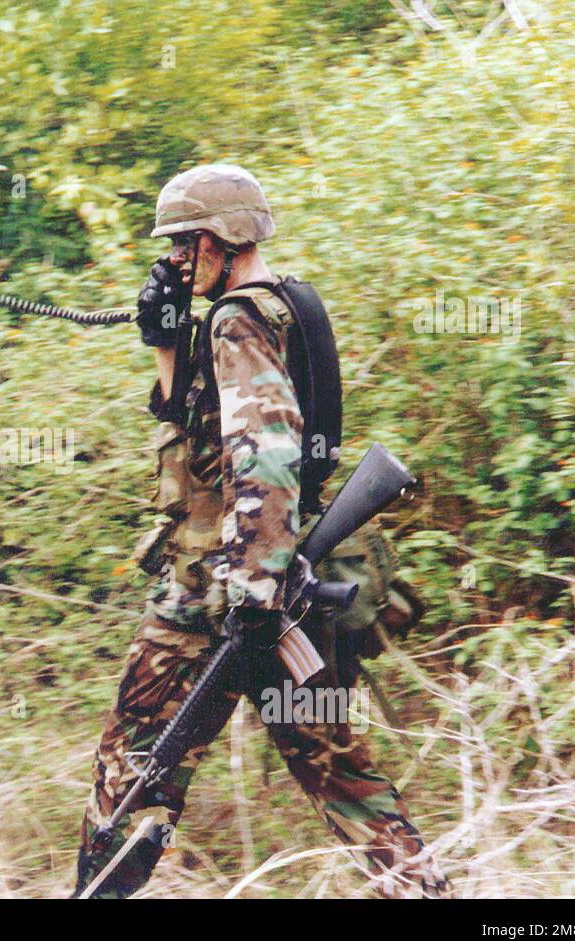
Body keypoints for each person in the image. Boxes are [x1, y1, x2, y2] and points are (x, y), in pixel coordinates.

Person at [73, 165, 449, 898]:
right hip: (278, 586)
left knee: (130, 767)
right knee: (345, 780)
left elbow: (267, 448)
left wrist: (251, 590)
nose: (176, 260)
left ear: (218, 240)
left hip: (218, 590)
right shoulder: (287, 304)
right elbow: (207, 426)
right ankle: (426, 890)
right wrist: (163, 339)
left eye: (184, 245)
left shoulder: (236, 319)